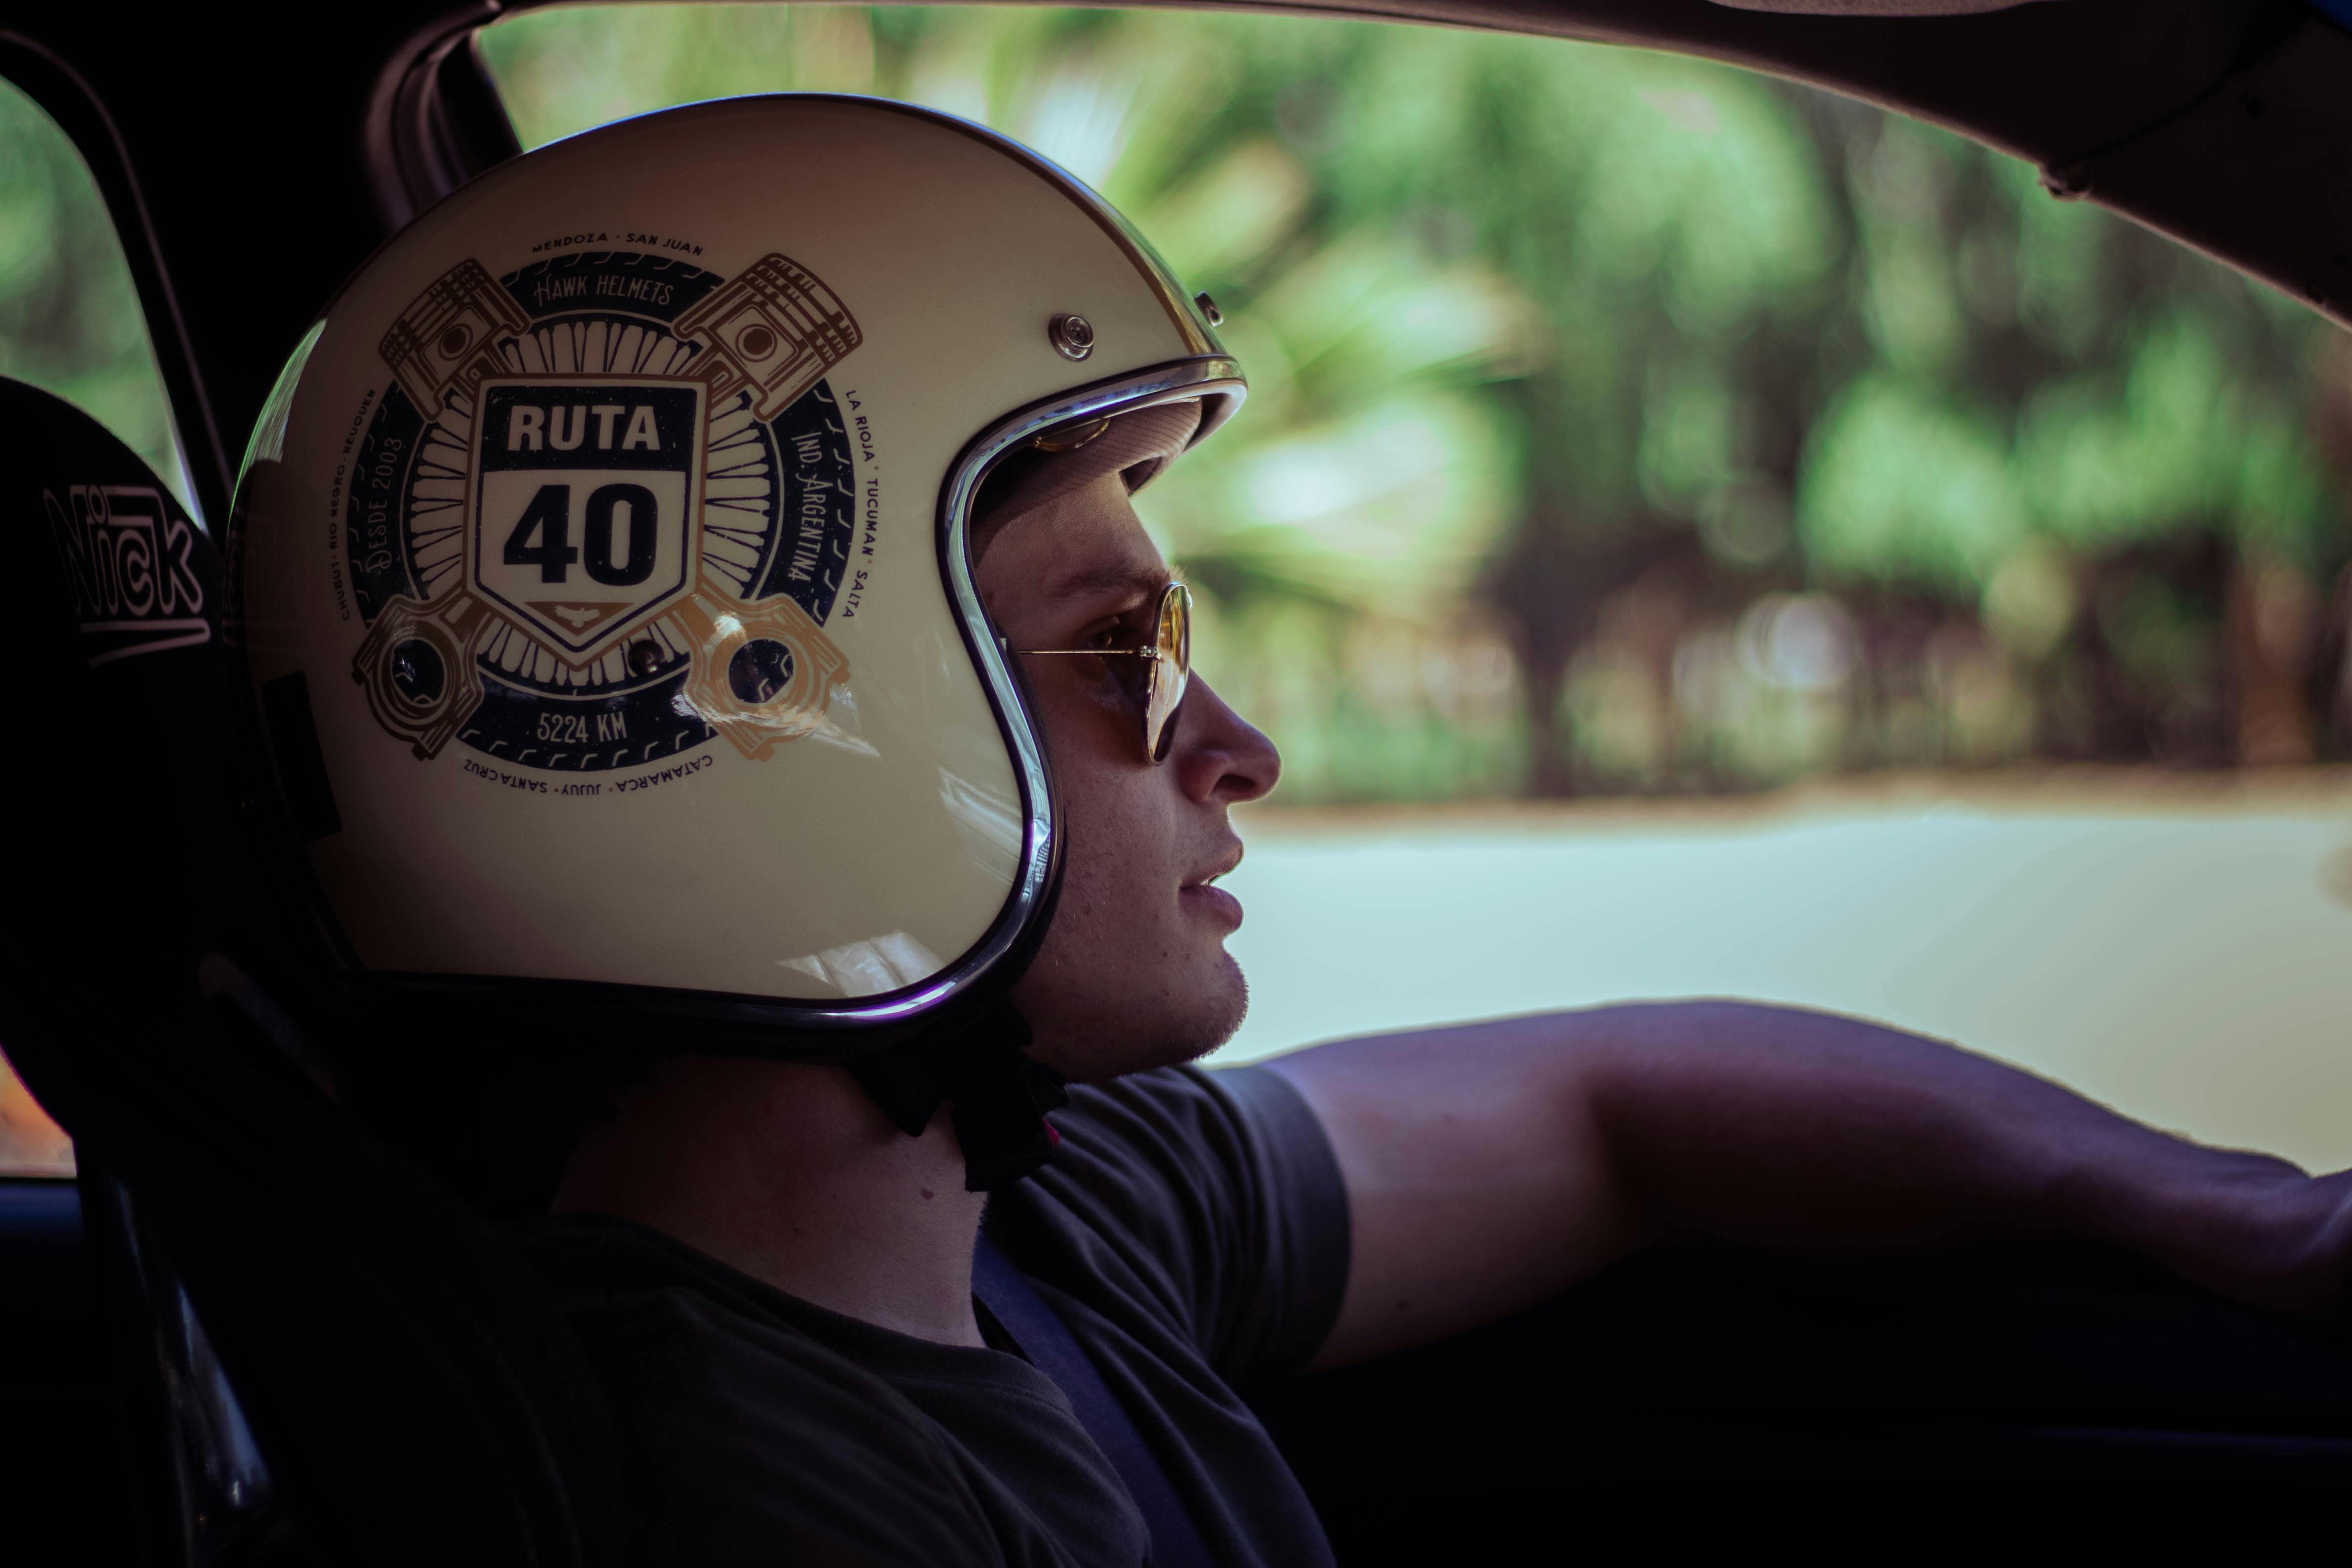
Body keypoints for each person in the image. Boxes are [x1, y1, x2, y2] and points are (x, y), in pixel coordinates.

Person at [234, 93, 2352, 1568]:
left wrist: (2228, 1211)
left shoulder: (1031, 1222)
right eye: (1125, 649)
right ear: (797, 737)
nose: (1232, 745)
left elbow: (1615, 1100)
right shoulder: (759, 1501)